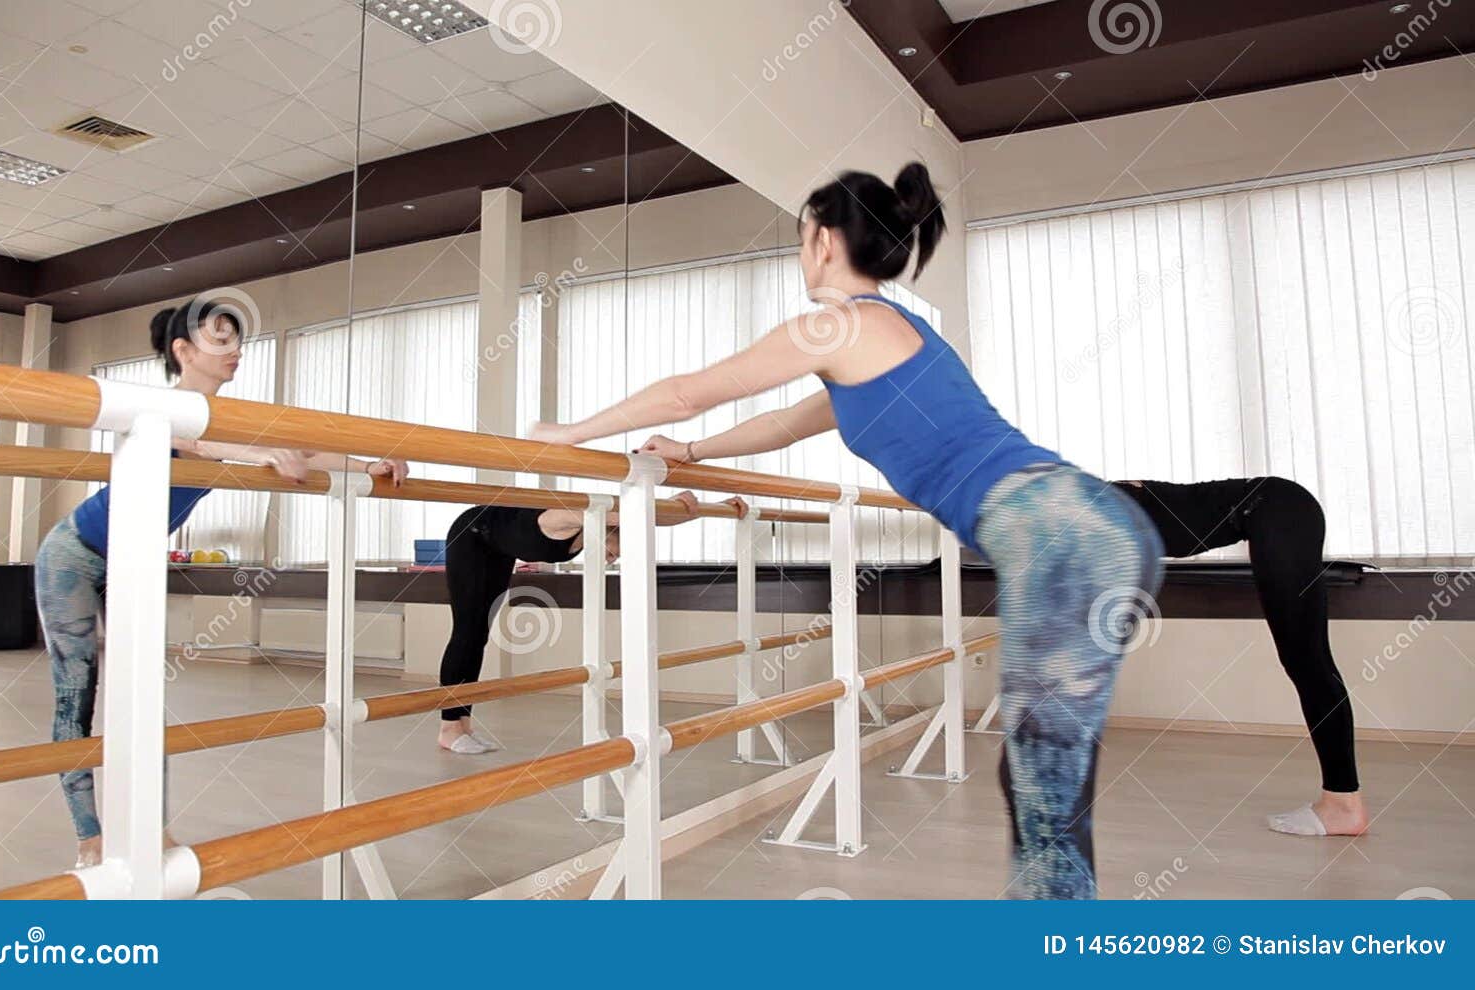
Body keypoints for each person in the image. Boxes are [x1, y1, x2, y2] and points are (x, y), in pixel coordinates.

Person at [532, 162, 1164, 899]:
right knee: (1042, 782)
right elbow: (782, 423)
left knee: (1044, 797)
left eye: (802, 235)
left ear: (824, 240)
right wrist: (692, 453)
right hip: (1090, 527)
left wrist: (569, 433)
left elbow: (684, 392)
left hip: (1063, 537)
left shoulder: (841, 325)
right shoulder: (882, 338)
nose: (802, 252)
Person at [35, 299, 408, 868]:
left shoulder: (229, 416)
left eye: (237, 340)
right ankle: (90, 838)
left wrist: (370, 465)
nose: (234, 351)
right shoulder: (164, 407)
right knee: (76, 696)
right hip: (74, 556)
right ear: (184, 351)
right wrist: (263, 453)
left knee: (144, 697)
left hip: (132, 564)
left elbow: (309, 449)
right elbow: (202, 444)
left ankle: (152, 830)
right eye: (219, 339)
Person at [1115, 477, 1367, 836]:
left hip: (1275, 508)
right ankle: (1343, 802)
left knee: (1307, 661)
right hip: (1277, 509)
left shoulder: (1089, 510)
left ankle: (1343, 806)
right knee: (1308, 660)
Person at [437, 493, 746, 753]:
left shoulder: (590, 529)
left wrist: (715, 508)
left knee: (478, 634)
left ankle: (463, 724)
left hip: (494, 545)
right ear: (611, 527)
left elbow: (644, 517)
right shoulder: (563, 520)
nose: (610, 559)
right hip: (471, 533)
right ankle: (449, 728)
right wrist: (681, 504)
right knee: (467, 631)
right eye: (613, 551)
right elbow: (636, 510)